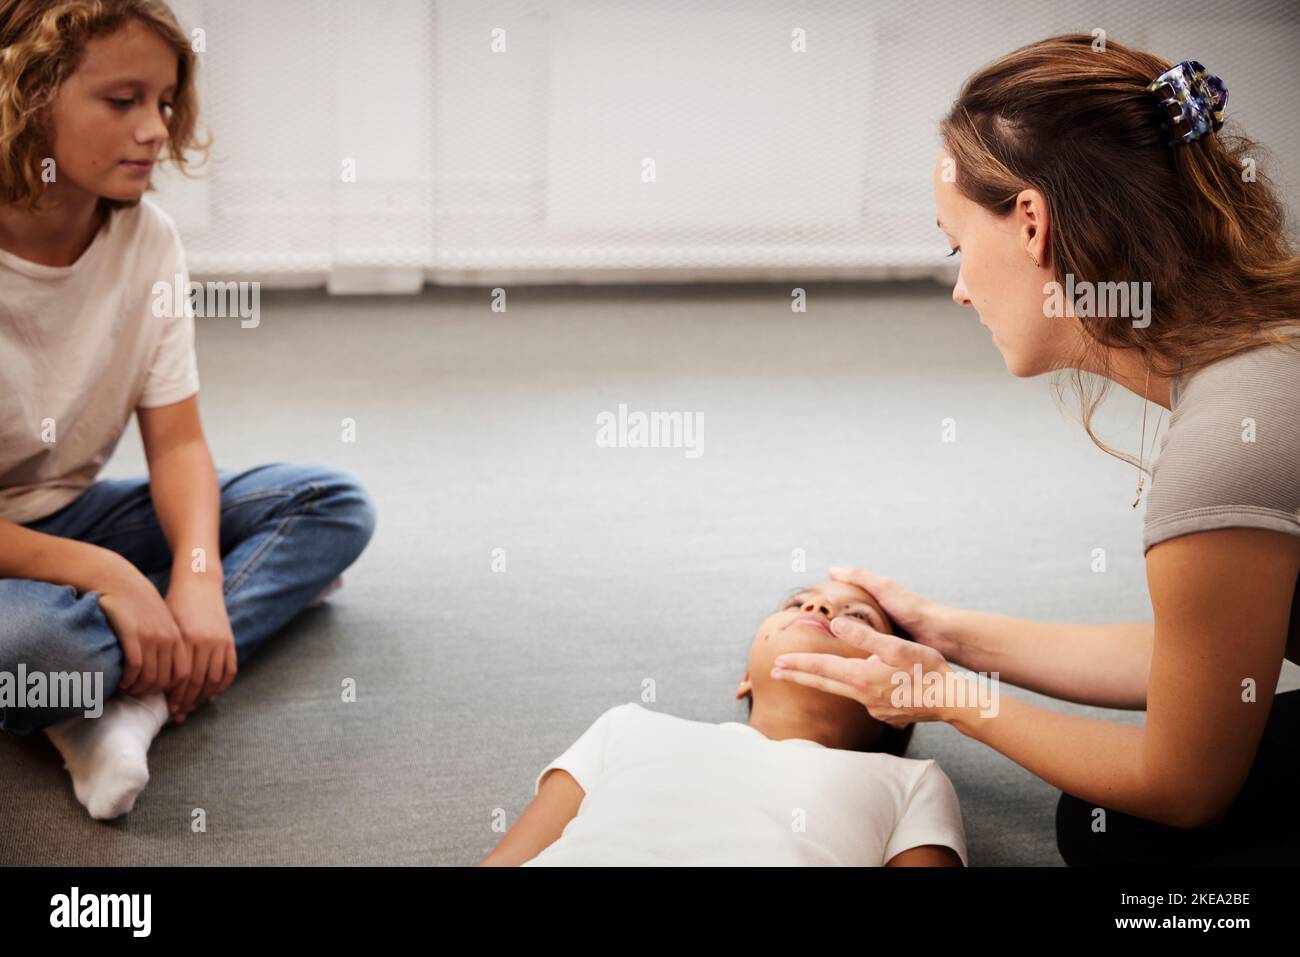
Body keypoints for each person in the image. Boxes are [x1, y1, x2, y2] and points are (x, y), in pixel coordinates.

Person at [770, 35, 1300, 865]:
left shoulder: (1225, 455)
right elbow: (1217, 653)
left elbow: (1184, 786)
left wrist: (939, 693)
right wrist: (948, 635)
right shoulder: (1266, 347)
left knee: (1124, 833)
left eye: (956, 244)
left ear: (1031, 224)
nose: (961, 287)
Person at [0, 0, 376, 820]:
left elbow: (175, 445)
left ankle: (131, 698)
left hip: (67, 514)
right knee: (31, 651)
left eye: (165, 103)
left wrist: (199, 579)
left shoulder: (151, 239)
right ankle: (121, 655)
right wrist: (111, 574)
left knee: (329, 503)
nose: (155, 130)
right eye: (122, 99)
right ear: (27, 95)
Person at [478, 579, 967, 866]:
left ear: (899, 708)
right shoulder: (626, 726)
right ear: (744, 679)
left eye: (858, 618)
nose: (817, 609)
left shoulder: (910, 781)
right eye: (797, 603)